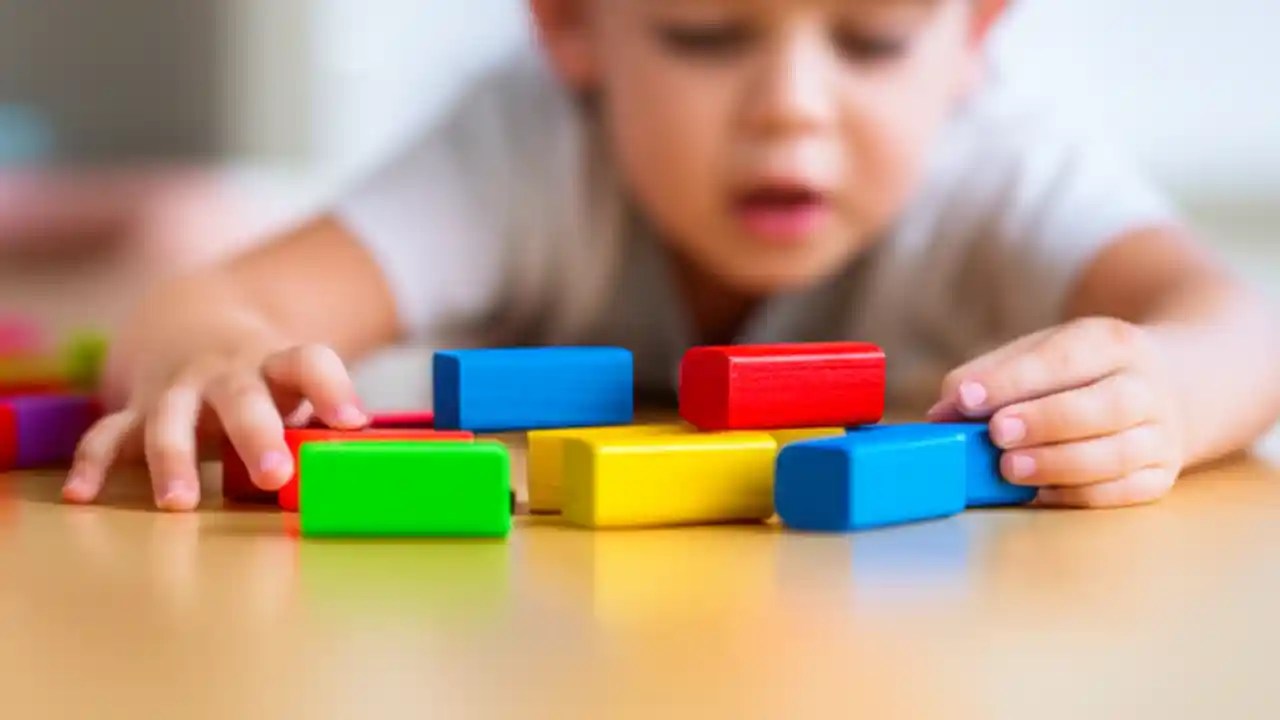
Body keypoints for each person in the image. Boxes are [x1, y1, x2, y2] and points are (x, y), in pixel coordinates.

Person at [62, 0, 1280, 511]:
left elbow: (1241, 324)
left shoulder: (1001, 157)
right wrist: (210, 350)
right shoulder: (523, 144)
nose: (792, 108)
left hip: (878, 629)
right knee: (182, 223)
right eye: (705, 34)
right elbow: (217, 297)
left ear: (970, 37)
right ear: (571, 26)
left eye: (868, 41)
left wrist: (1168, 390)